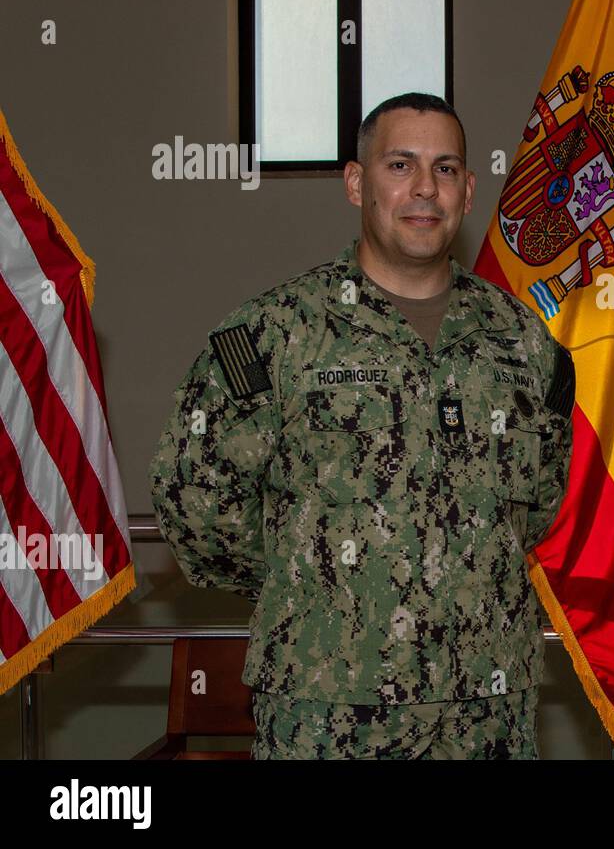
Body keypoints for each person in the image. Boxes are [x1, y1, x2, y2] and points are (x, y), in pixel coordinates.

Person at [151, 92, 575, 759]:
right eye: (400, 165)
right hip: (328, 712)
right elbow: (197, 505)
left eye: (445, 168)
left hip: (487, 715)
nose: (424, 189)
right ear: (357, 183)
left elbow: (539, 504)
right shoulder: (273, 336)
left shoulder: (523, 345)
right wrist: (316, 585)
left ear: (468, 191)